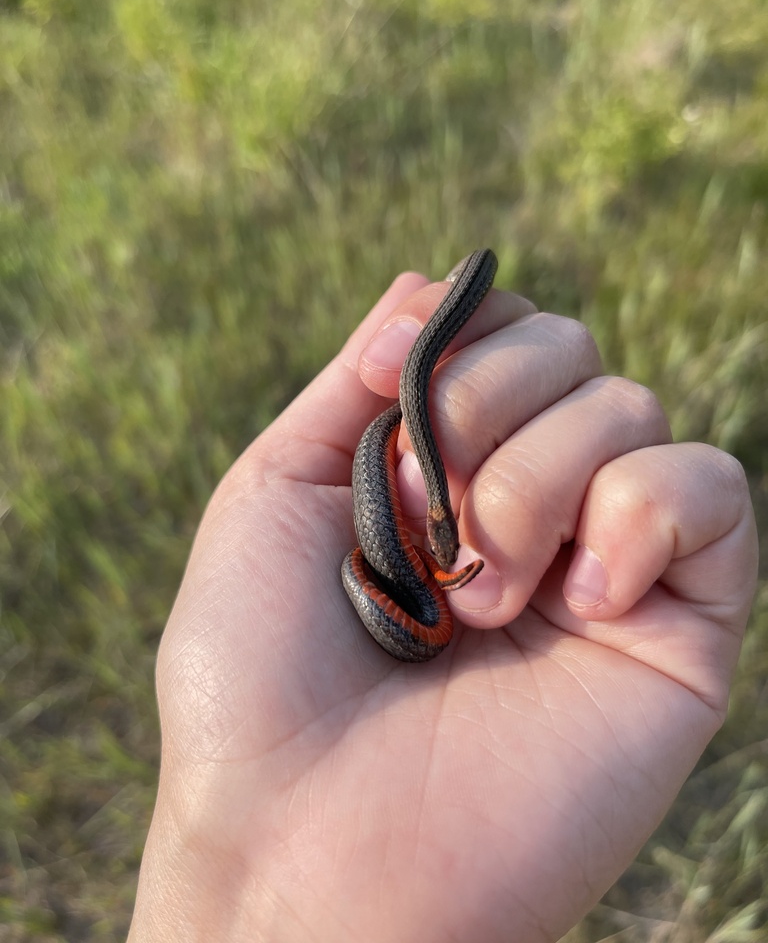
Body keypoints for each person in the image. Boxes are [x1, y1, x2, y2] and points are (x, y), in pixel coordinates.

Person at [128, 270, 758, 942]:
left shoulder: (401, 488)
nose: (452, 550)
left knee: (422, 397)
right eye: (445, 539)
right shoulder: (390, 511)